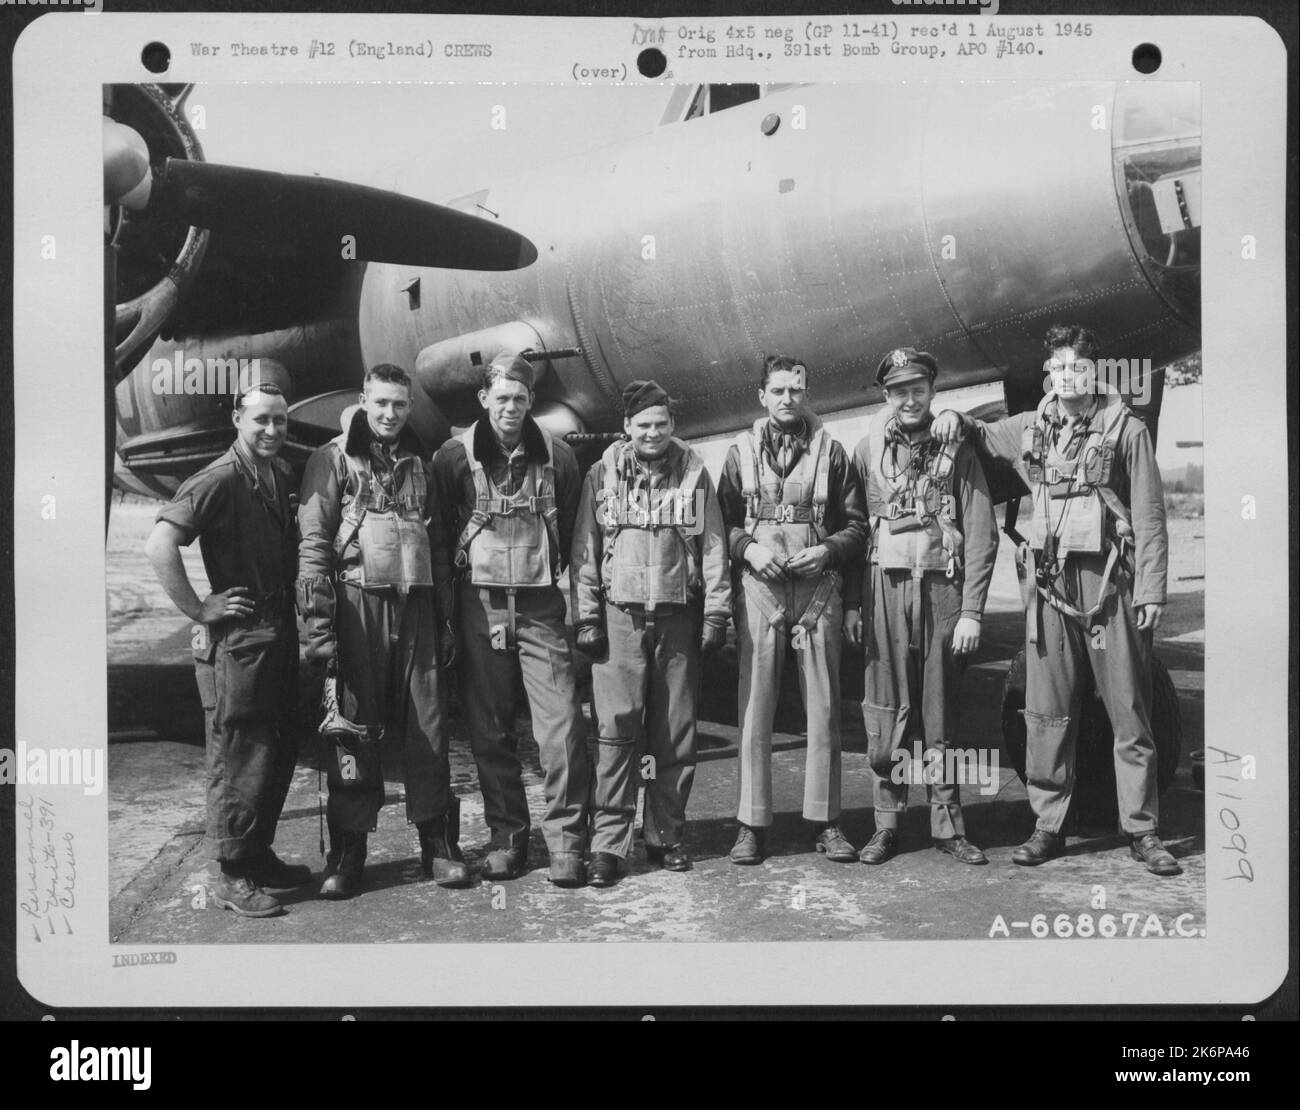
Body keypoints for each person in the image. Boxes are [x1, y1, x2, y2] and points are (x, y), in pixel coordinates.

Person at [931, 325, 1180, 875]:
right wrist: (953, 417)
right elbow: (980, 433)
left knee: (1129, 710)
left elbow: (1149, 515)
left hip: (1107, 585)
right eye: (1060, 368)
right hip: (1048, 586)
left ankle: (1142, 831)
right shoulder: (1029, 428)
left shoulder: (1126, 430)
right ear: (1050, 373)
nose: (1069, 377)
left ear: (1095, 372)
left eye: (1080, 368)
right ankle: (1048, 826)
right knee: (1047, 714)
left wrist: (1152, 590)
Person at [297, 363, 468, 899]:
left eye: (399, 404)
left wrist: (444, 620)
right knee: (352, 728)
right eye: (381, 404)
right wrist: (318, 628)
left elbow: (438, 546)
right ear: (363, 401)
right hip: (356, 605)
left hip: (417, 605)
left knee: (429, 727)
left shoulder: (424, 462)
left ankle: (438, 844)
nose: (390, 414)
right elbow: (314, 546)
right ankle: (348, 851)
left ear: (409, 406)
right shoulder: (331, 459)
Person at [144, 383, 306, 918]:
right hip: (239, 639)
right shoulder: (218, 479)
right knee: (239, 751)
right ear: (237, 419)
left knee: (277, 746)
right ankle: (232, 874)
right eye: (261, 420)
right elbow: (160, 543)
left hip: (276, 632)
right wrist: (198, 608)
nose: (272, 430)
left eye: (280, 420)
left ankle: (256, 854)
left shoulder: (279, 474)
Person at [432, 352, 591, 888]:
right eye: (501, 397)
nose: (510, 407)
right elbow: (439, 543)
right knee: (490, 730)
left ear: (531, 402)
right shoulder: (453, 458)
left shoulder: (559, 456)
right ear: (484, 399)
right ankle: (507, 838)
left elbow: (573, 534)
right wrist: (447, 621)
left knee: (562, 727)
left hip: (541, 605)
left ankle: (567, 842)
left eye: (520, 398)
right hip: (480, 605)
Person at [570, 381, 731, 886]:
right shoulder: (601, 474)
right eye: (643, 425)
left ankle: (665, 835)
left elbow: (714, 545)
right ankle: (607, 845)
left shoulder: (694, 472)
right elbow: (584, 548)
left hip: (677, 617)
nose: (653, 433)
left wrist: (717, 614)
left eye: (661, 424)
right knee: (615, 735)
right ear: (627, 427)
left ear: (672, 425)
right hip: (620, 616)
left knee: (675, 734)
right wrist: (587, 617)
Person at [843, 348, 999, 866]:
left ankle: (947, 825)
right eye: (898, 391)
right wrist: (853, 605)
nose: (909, 400)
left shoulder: (958, 449)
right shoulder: (867, 451)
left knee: (940, 712)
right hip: (883, 589)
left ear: (932, 391)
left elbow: (981, 532)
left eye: (917, 390)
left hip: (941, 591)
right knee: (885, 711)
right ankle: (886, 824)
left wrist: (972, 611)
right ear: (886, 396)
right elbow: (855, 531)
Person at [717, 355, 868, 865]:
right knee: (754, 709)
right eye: (778, 390)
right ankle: (750, 824)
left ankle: (826, 822)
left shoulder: (834, 453)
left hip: (817, 590)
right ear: (762, 395)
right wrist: (748, 549)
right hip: (760, 590)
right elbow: (720, 525)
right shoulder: (738, 454)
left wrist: (827, 550)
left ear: (806, 394)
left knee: (824, 710)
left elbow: (857, 526)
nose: (788, 399)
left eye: (796, 390)